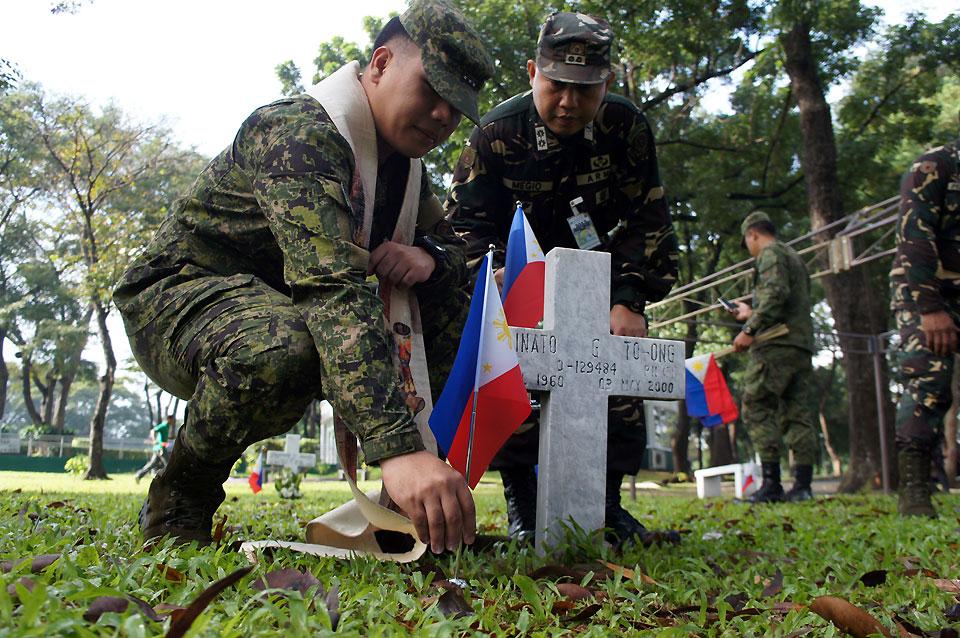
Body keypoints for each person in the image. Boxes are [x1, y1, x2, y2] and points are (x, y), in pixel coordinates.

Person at [112, 0, 495, 553]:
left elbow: (457, 250)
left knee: (458, 314)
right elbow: (332, 291)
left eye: (456, 107)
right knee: (281, 345)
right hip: (178, 297)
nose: (442, 116)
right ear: (381, 63)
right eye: (432, 90)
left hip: (280, 307)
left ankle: (413, 517)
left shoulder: (403, 169)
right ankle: (179, 500)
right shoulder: (298, 135)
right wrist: (397, 448)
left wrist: (430, 259)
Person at [445, 11, 680, 547]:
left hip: (599, 283)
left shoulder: (626, 129)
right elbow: (463, 227)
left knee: (614, 374)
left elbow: (647, 219)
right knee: (516, 379)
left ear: (608, 84)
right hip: (517, 283)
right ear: (533, 72)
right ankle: (522, 504)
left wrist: (629, 298)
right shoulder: (495, 135)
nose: (569, 102)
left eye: (585, 89)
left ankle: (608, 505)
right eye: (556, 85)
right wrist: (490, 275)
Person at [890, 136, 960, 518]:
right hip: (924, 290)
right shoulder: (933, 168)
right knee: (929, 381)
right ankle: (915, 490)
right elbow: (913, 236)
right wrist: (931, 309)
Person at [731, 211, 817, 503]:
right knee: (797, 412)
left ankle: (771, 484)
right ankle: (803, 487)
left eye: (747, 242)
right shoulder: (794, 257)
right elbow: (786, 301)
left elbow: (775, 294)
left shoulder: (770, 254)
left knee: (757, 405)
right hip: (800, 345)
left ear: (752, 234)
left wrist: (749, 329)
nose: (749, 248)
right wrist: (749, 312)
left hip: (775, 345)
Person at [135, 414, 175, 482]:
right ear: (169, 419)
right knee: (168, 464)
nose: (173, 422)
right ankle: (170, 480)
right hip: (160, 448)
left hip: (158, 448)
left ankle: (139, 475)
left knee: (152, 464)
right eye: (172, 420)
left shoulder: (167, 426)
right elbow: (153, 431)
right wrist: (153, 440)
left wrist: (170, 438)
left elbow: (163, 437)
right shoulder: (163, 425)